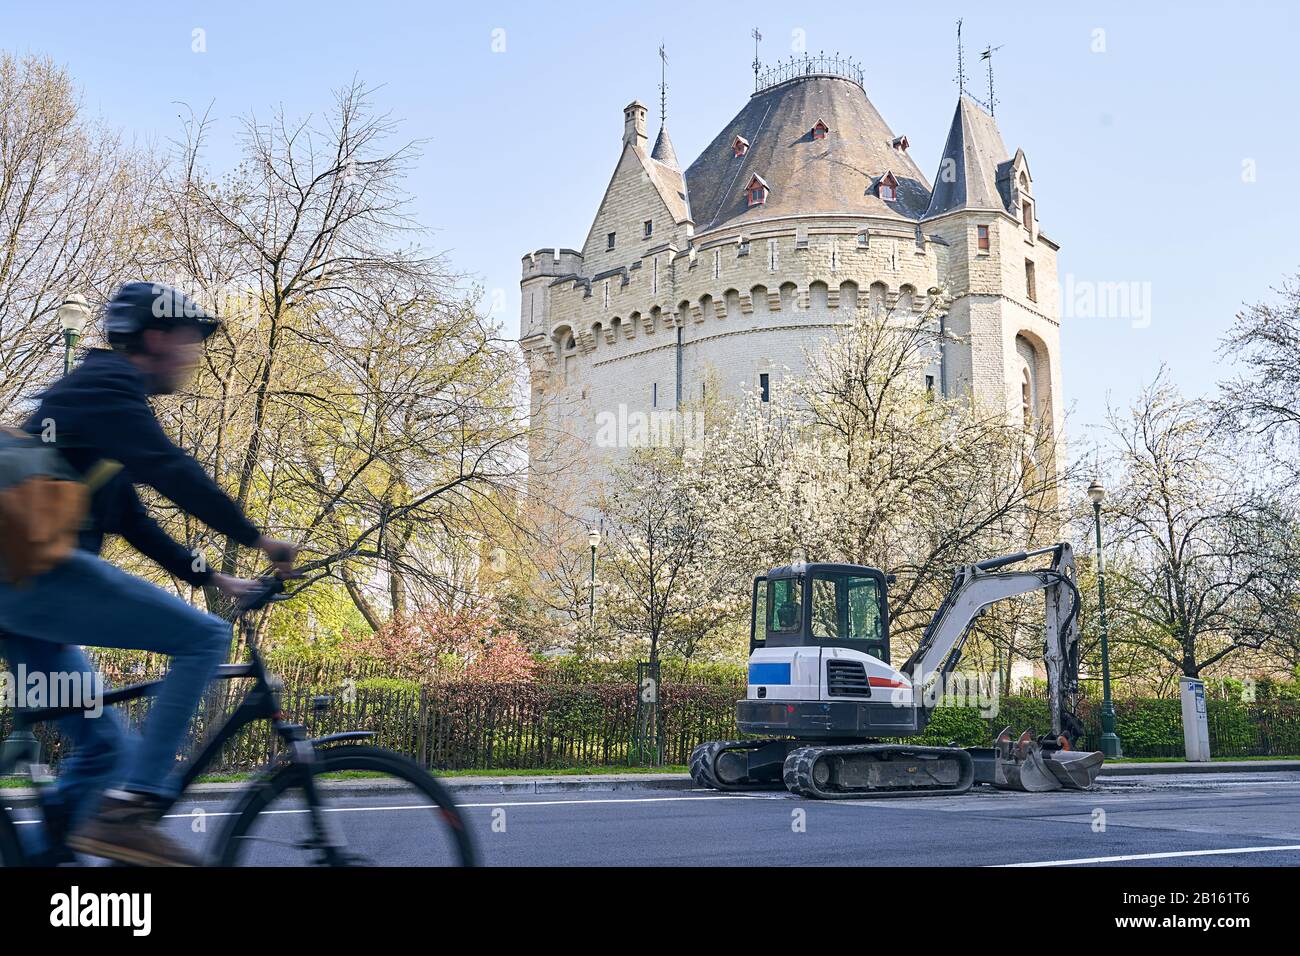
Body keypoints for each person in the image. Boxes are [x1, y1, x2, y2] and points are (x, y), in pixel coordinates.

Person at [0, 282, 297, 866]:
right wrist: (256, 537)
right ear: (158, 337)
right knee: (205, 637)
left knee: (105, 748)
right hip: (36, 582)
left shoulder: (99, 405)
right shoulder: (109, 385)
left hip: (22, 604)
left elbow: (135, 521)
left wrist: (219, 580)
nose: (193, 355)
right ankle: (131, 810)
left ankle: (43, 859)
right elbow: (171, 470)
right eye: (190, 340)